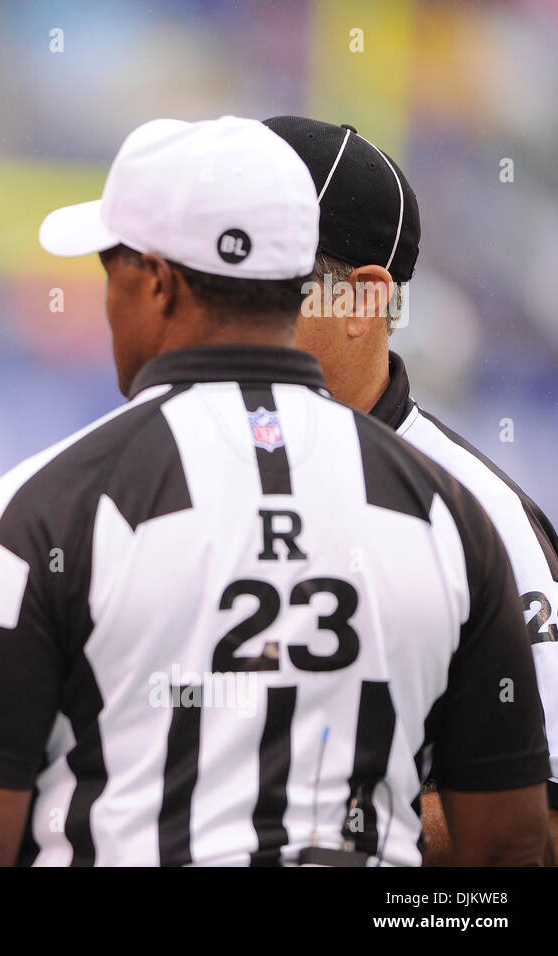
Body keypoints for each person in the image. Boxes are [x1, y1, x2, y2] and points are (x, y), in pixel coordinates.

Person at [0, 116, 553, 867]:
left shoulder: (54, 503)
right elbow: (509, 849)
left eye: (109, 268)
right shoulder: (447, 515)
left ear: (154, 281)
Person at [265, 115, 558, 862]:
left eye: (254, 282)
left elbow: (541, 819)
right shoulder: (149, 472)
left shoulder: (480, 520)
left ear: (362, 302)